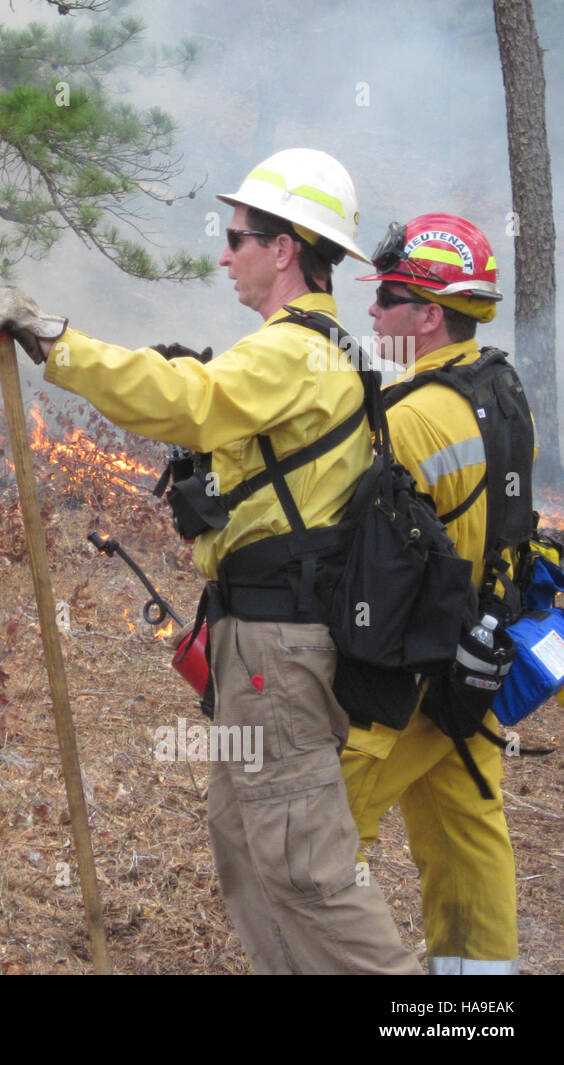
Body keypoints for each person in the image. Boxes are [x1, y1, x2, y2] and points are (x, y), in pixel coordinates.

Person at [0, 148, 420, 974]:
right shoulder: (310, 351)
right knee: (249, 850)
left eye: (237, 235)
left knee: (305, 865)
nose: (224, 252)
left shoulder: (294, 351)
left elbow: (188, 400)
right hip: (259, 642)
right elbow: (217, 406)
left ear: (284, 248)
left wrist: (55, 342)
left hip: (278, 652)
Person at [344, 214, 521, 974]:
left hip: (410, 675)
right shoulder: (500, 387)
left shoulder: (410, 419)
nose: (373, 311)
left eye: (388, 296)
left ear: (429, 314)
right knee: (467, 829)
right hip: (477, 659)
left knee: (322, 828)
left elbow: (354, 542)